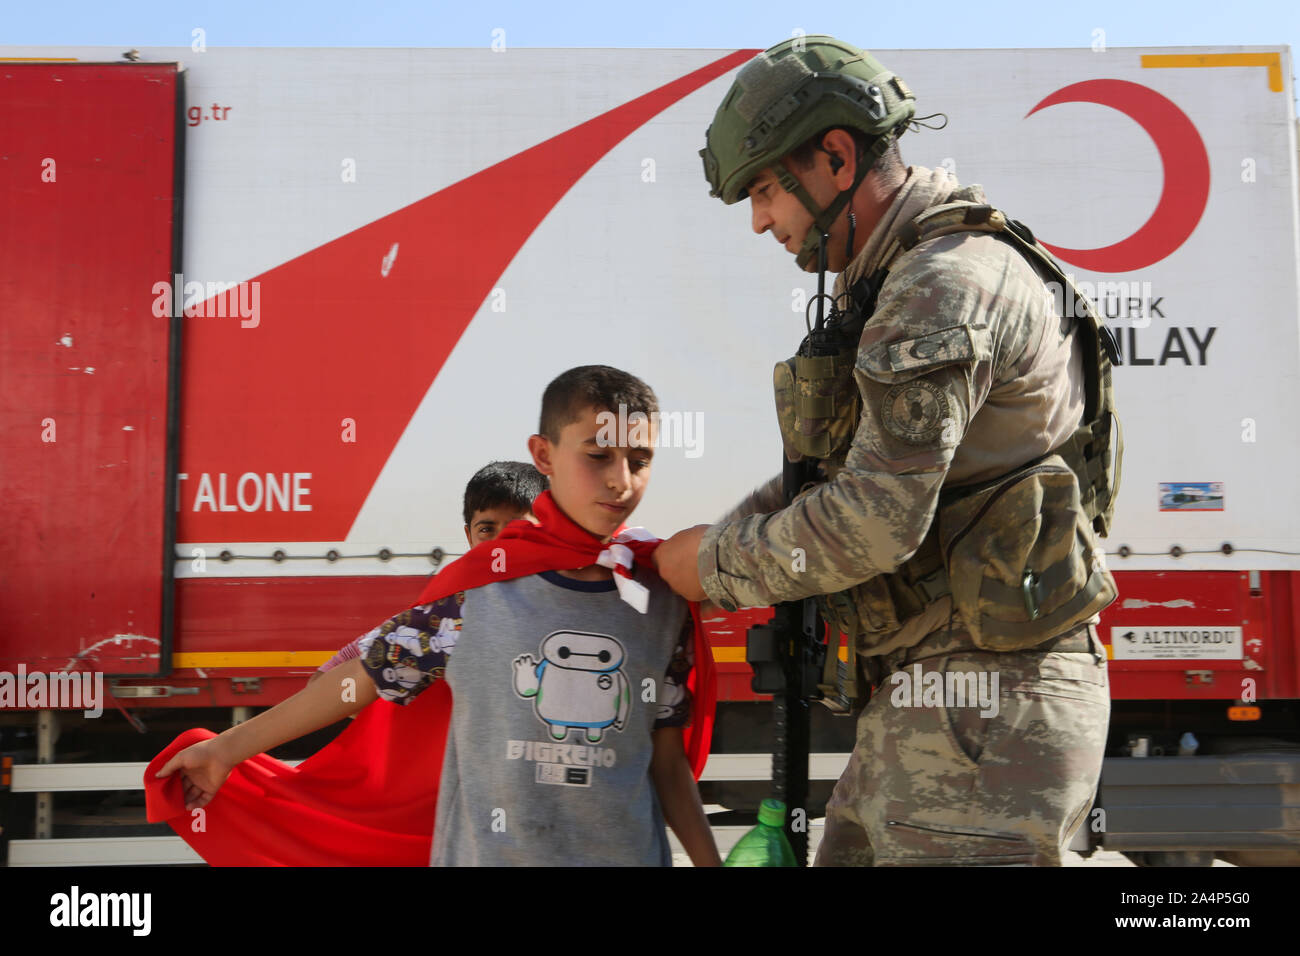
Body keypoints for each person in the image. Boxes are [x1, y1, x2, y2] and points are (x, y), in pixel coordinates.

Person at [653, 36, 1120, 866]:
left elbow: (874, 519)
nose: (762, 220)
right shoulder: (907, 274)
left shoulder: (943, 281)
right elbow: (843, 476)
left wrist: (715, 565)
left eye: (764, 188)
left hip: (983, 713)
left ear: (836, 156)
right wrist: (699, 549)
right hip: (939, 698)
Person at [154, 365, 721, 867]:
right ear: (544, 454)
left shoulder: (655, 599)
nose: (622, 480)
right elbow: (356, 683)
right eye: (598, 456)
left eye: (640, 460)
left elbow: (666, 765)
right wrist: (226, 751)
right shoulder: (476, 596)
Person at [307, 460, 547, 685]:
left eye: (520, 528)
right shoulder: (451, 615)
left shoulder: (575, 602)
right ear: (469, 537)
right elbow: (325, 678)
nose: (501, 542)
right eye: (486, 529)